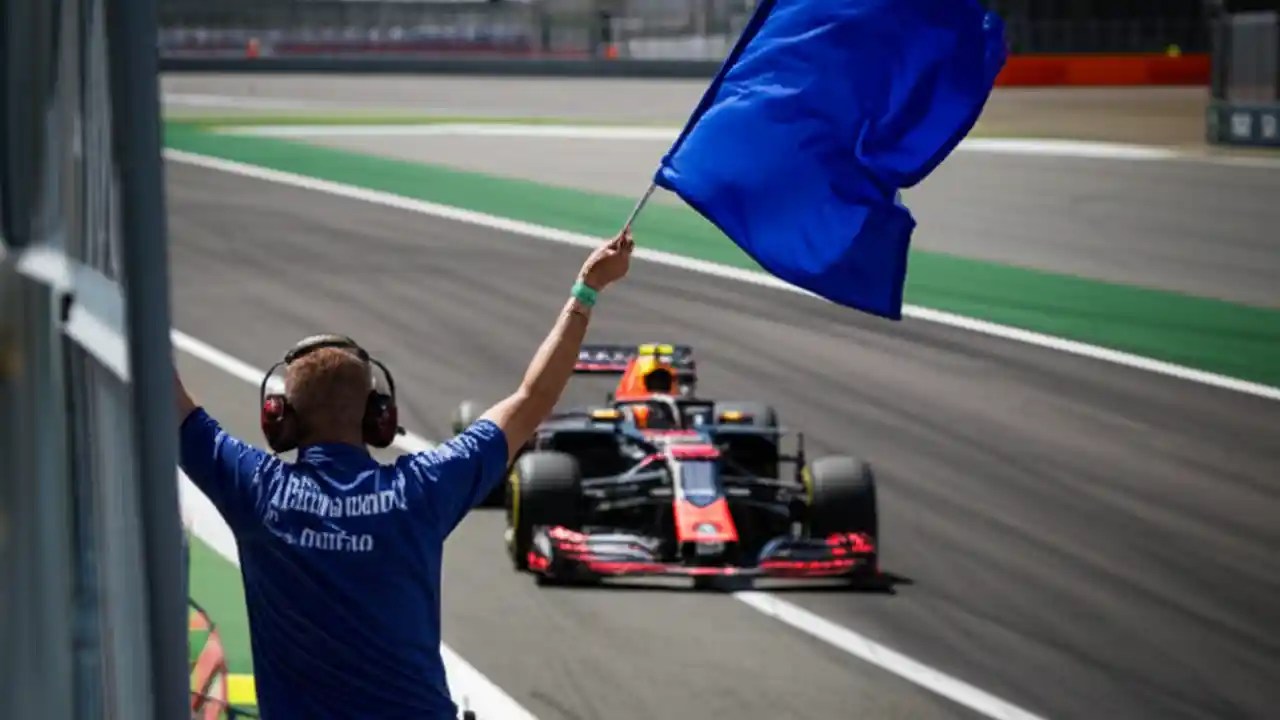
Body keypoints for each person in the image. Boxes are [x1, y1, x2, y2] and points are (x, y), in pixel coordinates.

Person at [174, 231, 634, 719]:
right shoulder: (421, 489)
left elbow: (169, 402)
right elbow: (530, 400)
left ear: (278, 418)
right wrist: (586, 291)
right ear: (380, 417)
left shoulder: (256, 490)